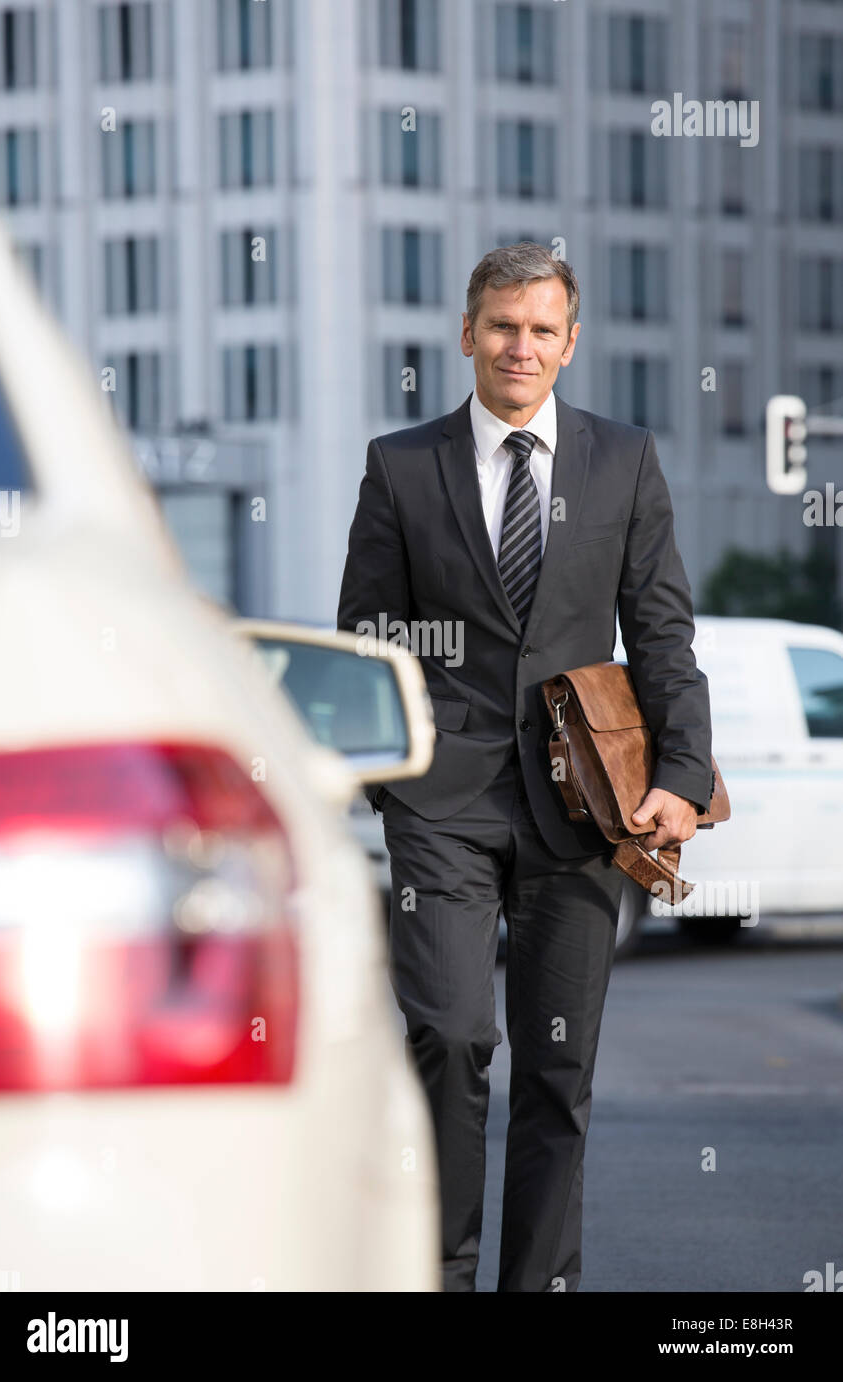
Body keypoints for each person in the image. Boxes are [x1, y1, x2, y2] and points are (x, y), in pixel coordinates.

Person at [336, 243, 713, 1292]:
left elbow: (661, 635)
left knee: (557, 1071)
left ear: (569, 344)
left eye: (542, 329)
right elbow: (368, 632)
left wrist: (678, 773)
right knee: (451, 1034)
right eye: (502, 325)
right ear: (467, 334)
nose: (520, 346)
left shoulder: (622, 461)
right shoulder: (400, 465)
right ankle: (439, 1273)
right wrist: (387, 778)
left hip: (579, 804)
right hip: (441, 804)